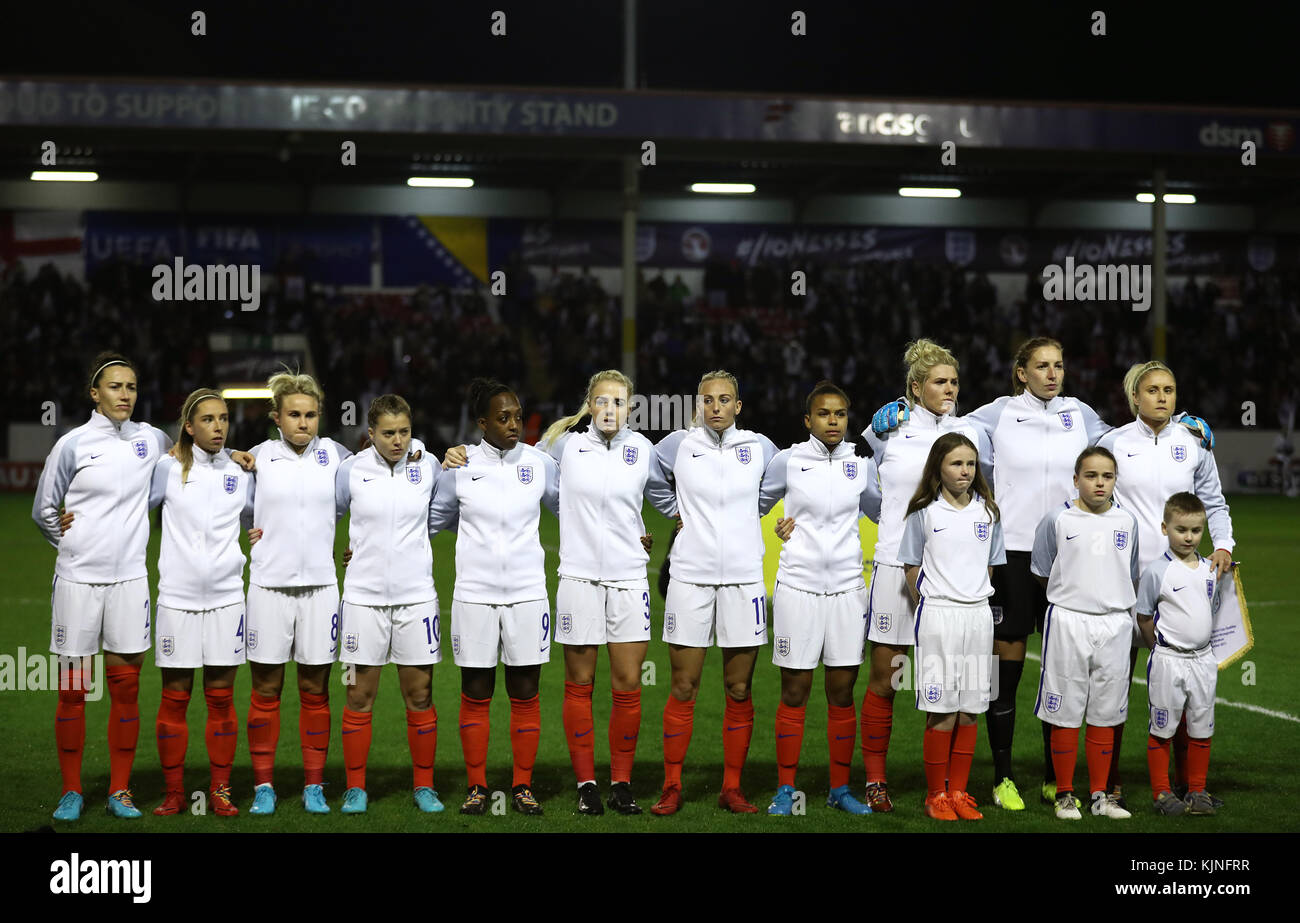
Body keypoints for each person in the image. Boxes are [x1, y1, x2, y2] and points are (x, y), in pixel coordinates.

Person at [870, 337, 1217, 810]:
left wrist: (1180, 424)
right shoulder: (995, 415)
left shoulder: (1083, 415)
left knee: (1065, 672)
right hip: (1011, 553)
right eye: (1041, 366)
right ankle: (1003, 777)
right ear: (1021, 372)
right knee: (1004, 675)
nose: (1052, 374)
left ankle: (1062, 781)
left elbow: (1128, 436)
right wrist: (886, 419)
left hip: (1069, 554)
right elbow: (943, 426)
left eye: (1058, 365)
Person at [32, 352, 171, 821]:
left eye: (131, 386)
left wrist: (235, 455)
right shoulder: (71, 445)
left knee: (126, 690)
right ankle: (72, 791)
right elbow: (43, 509)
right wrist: (70, 544)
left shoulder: (151, 439)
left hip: (130, 581)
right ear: (95, 393)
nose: (125, 394)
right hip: (77, 582)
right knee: (73, 690)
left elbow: (188, 461)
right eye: (115, 386)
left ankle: (119, 791)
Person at [857, 340, 987, 813]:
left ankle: (951, 787)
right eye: (939, 381)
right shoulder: (887, 428)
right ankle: (875, 780)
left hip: (954, 579)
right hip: (896, 564)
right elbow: (862, 484)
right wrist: (890, 523)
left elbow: (983, 492)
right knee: (886, 677)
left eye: (954, 381)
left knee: (956, 683)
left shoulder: (970, 430)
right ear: (916, 387)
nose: (949, 389)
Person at [1097, 361, 1234, 807]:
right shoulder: (1113, 443)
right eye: (1152, 390)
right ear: (1134, 396)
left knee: (1182, 679)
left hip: (1185, 578)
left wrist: (1224, 546)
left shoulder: (1193, 442)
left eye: (1169, 390)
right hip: (1127, 580)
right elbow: (1096, 502)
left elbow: (1214, 500)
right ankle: (1111, 779)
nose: (1162, 397)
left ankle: (1182, 783)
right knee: (1116, 683)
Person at [540, 371, 676, 815]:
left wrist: (698, 521)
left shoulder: (643, 451)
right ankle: (586, 784)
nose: (611, 410)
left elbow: (671, 498)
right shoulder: (565, 447)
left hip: (629, 578)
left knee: (628, 683)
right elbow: (520, 477)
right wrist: (455, 456)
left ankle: (621, 782)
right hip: (578, 576)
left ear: (631, 408)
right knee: (579, 683)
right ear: (590, 404)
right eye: (602, 401)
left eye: (619, 402)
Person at [648, 370, 779, 815]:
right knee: (683, 685)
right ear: (698, 406)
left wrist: (751, 515)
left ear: (738, 406)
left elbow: (780, 486)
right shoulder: (678, 445)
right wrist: (675, 510)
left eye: (725, 400)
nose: (717, 406)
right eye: (708, 400)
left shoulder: (760, 447)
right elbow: (647, 477)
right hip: (690, 576)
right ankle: (671, 786)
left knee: (738, 686)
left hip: (744, 578)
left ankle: (732, 788)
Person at [428, 378, 559, 816]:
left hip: (527, 594)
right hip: (474, 595)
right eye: (503, 418)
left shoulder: (540, 464)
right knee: (476, 690)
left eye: (518, 416)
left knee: (525, 691)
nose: (513, 424)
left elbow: (571, 509)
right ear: (482, 422)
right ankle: (478, 786)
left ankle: (522, 786)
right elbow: (434, 519)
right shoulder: (460, 468)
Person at [759, 381, 881, 816]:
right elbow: (753, 503)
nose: (834, 421)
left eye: (841, 414)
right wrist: (775, 527)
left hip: (849, 588)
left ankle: (839, 788)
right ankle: (785, 790)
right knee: (795, 691)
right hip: (797, 587)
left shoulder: (859, 465)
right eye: (825, 414)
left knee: (842, 692)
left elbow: (882, 511)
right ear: (807, 420)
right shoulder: (788, 461)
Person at [242, 371, 353, 815]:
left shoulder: (338, 457)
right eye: (293, 415)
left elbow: (367, 491)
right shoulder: (254, 458)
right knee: (265, 690)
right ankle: (264, 785)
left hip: (322, 588)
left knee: (315, 688)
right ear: (276, 417)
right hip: (269, 586)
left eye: (310, 415)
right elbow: (227, 500)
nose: (303, 423)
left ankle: (313, 785)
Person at [333, 394, 445, 815]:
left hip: (417, 598)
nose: (397, 441)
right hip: (362, 600)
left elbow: (442, 512)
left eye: (403, 432)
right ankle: (356, 788)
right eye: (388, 433)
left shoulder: (429, 465)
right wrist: (354, 549)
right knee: (359, 695)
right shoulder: (350, 471)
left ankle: (425, 786)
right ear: (371, 434)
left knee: (419, 694)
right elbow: (333, 513)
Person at [148, 389, 255, 817]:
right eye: (208, 420)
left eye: (224, 419)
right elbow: (130, 507)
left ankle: (221, 789)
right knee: (175, 697)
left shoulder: (242, 469)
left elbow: (262, 520)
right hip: (177, 598)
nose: (218, 427)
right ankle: (175, 792)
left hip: (228, 599)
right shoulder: (166, 467)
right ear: (189, 426)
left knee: (221, 697)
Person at [898, 432, 1005, 821]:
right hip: (939, 615)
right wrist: (929, 603)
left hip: (978, 614)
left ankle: (958, 791)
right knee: (941, 710)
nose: (964, 471)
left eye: (970, 464)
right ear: (938, 468)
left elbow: (990, 566)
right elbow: (911, 567)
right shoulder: (923, 512)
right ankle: (935, 795)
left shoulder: (989, 512)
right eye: (956, 464)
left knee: (971, 708)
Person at [1030, 447, 1138, 821]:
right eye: (1091, 476)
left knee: (1106, 713)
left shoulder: (1128, 521)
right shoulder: (1057, 518)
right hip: (1069, 621)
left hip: (1114, 623)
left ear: (1115, 481)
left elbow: (1130, 573)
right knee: (1065, 709)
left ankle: (1101, 796)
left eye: (1107, 476)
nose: (1099, 483)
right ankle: (1064, 794)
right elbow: (1042, 570)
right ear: (1076, 479)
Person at [1137, 492, 1221, 816]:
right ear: (1165, 528)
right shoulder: (1158, 571)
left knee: (1202, 726)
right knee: (1162, 727)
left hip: (1203, 659)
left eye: (1196, 530)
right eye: (1181, 529)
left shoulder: (1210, 569)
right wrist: (1157, 647)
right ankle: (1161, 792)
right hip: (1169, 660)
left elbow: (1212, 611)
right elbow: (1143, 616)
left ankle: (1197, 791)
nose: (1189, 537)